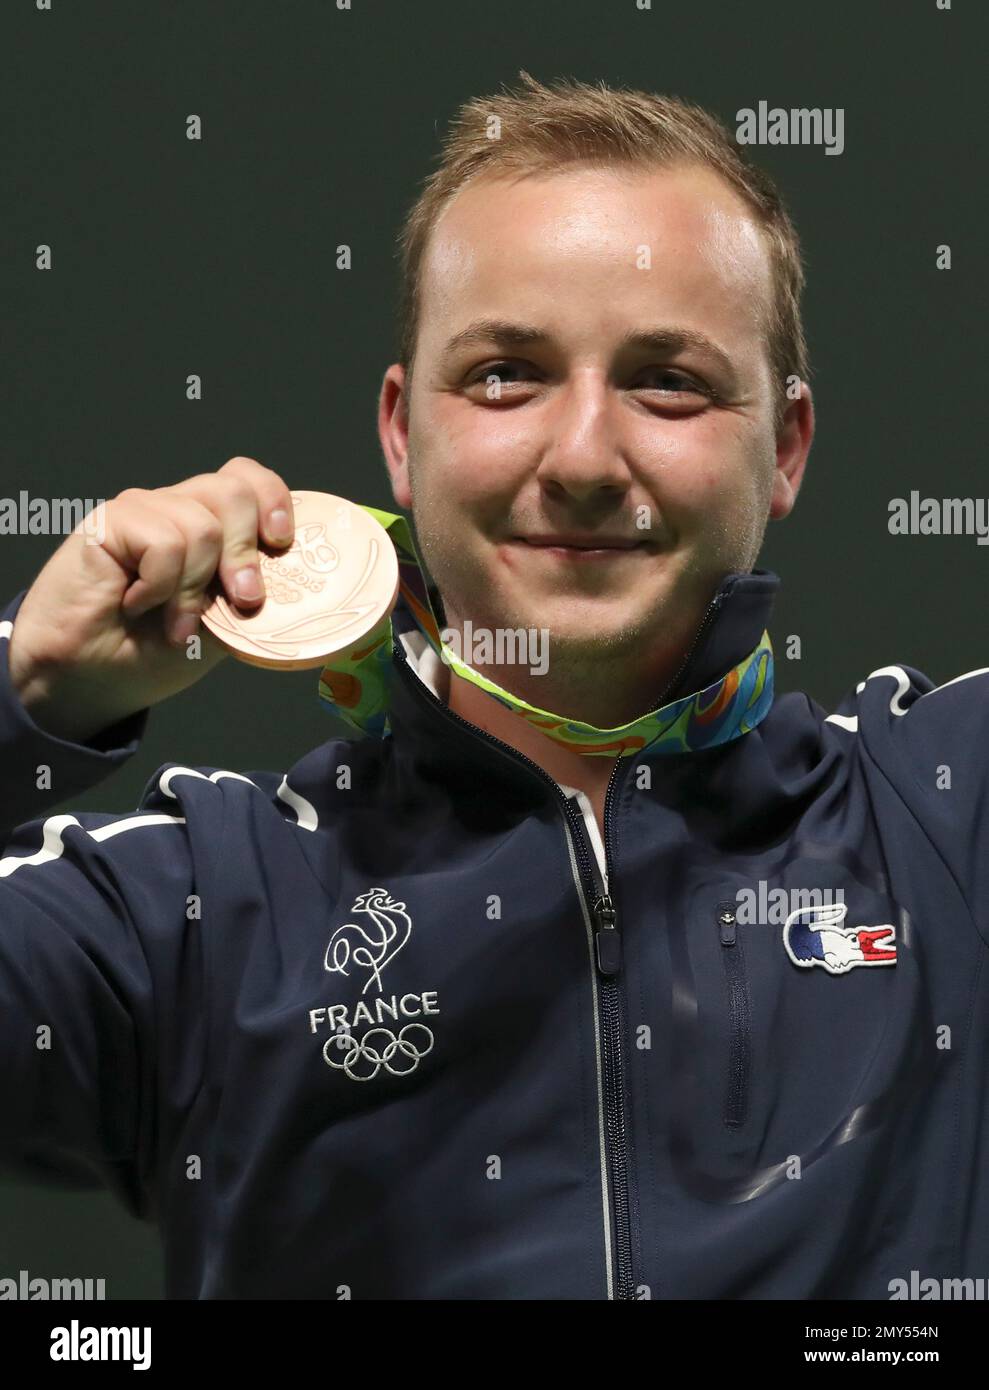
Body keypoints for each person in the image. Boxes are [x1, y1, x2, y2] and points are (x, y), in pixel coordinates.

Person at [0, 70, 983, 1302]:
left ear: (781, 447)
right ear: (403, 435)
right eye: (507, 375)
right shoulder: (195, 909)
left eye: (666, 380)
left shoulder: (948, 816)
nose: (580, 457)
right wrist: (26, 703)